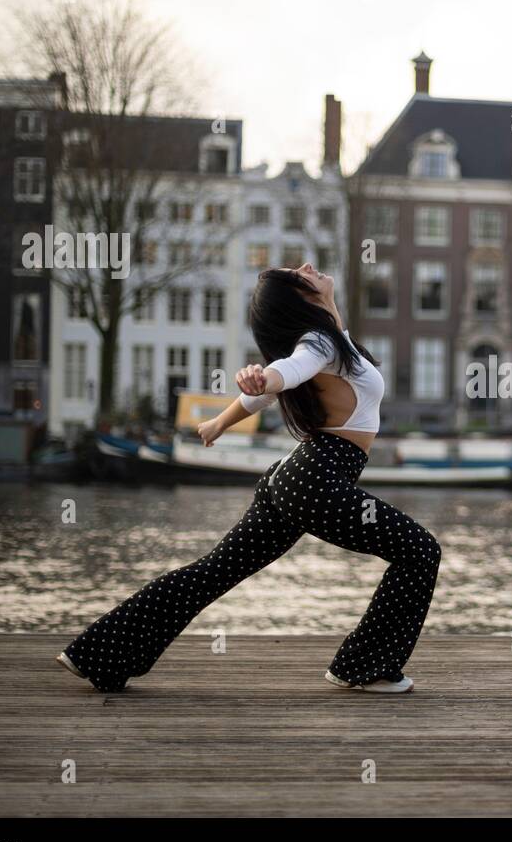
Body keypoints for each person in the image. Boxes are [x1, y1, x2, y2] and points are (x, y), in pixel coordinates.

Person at [56, 264, 440, 694]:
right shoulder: (317, 344)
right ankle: (366, 667)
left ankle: (98, 654)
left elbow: (270, 391)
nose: (308, 268)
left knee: (215, 571)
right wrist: (262, 375)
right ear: (299, 297)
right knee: (421, 552)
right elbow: (283, 375)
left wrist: (218, 423)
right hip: (318, 477)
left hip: (296, 478)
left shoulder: (331, 337)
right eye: (299, 274)